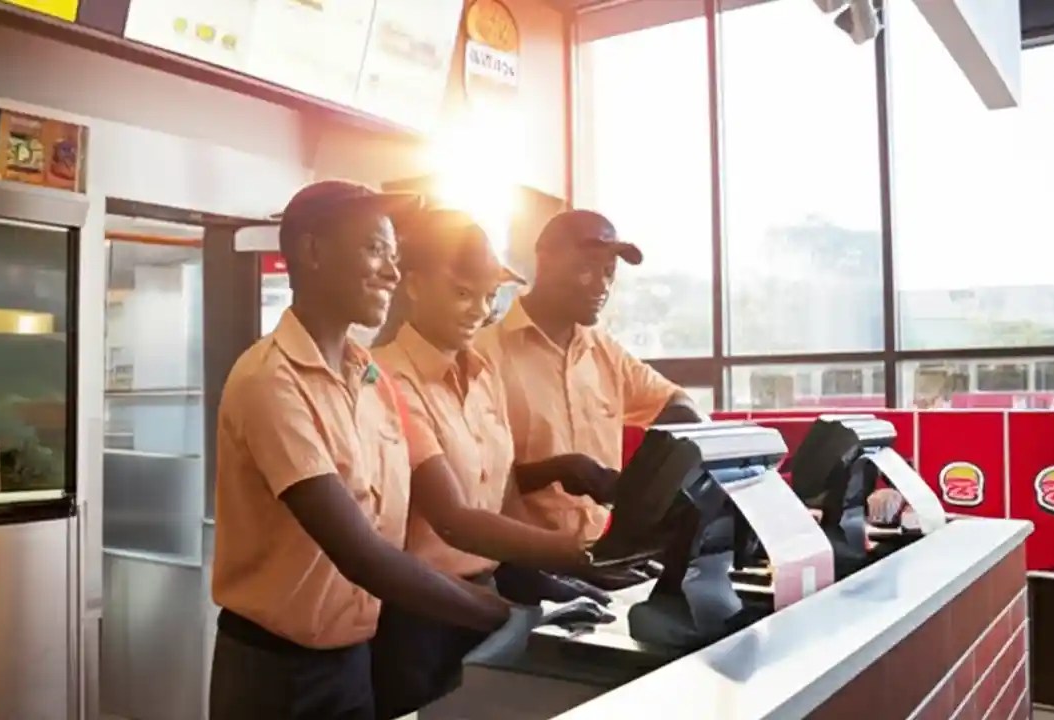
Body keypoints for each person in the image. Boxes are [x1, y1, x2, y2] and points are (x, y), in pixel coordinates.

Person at [209, 181, 511, 720]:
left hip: (353, 663)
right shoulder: (270, 380)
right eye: (375, 250)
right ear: (313, 250)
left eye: (395, 255)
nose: (392, 273)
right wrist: (503, 615)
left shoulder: (371, 380)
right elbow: (360, 553)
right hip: (276, 675)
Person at [370, 209, 613, 718]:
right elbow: (454, 521)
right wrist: (582, 553)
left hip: (489, 597)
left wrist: (562, 580)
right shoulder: (388, 379)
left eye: (487, 297)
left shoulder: (483, 374)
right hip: (419, 615)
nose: (478, 312)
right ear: (413, 285)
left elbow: (504, 501)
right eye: (462, 293)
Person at [476, 210, 705, 589]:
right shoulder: (485, 353)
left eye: (608, 272)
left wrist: (652, 481)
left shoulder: (604, 352)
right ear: (544, 259)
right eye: (585, 268)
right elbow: (474, 486)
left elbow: (678, 403)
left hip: (600, 555)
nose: (600, 285)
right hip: (517, 564)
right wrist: (556, 469)